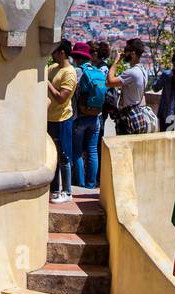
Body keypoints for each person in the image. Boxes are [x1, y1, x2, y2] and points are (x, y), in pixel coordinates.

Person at [71, 41, 106, 189]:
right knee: (92, 151)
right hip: (96, 116)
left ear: (77, 57)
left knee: (77, 151)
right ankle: (91, 184)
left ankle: (79, 183)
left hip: (80, 116)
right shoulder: (98, 71)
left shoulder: (77, 71)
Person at [47, 39, 77, 203]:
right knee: (53, 156)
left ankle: (67, 191)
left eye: (54, 51)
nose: (52, 54)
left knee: (64, 156)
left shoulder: (69, 73)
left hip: (62, 119)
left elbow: (61, 98)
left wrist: (48, 84)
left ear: (62, 52)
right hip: (50, 118)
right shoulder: (53, 68)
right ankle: (54, 189)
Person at [106, 38, 156, 135]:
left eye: (126, 51)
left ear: (133, 53)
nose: (124, 54)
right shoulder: (143, 70)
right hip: (138, 114)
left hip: (129, 117)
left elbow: (109, 82)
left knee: (124, 148)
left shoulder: (132, 72)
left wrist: (116, 61)